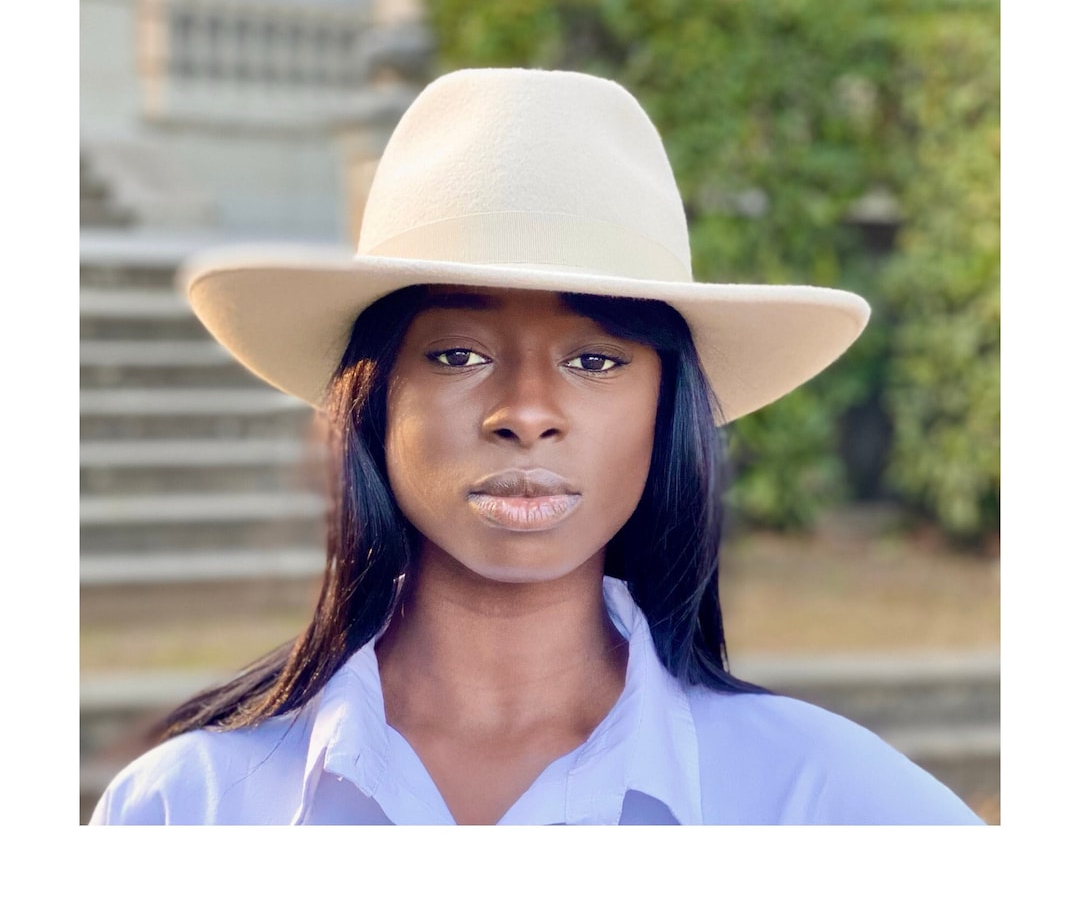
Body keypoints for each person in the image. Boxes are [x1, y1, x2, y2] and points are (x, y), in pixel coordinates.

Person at [90, 68, 982, 825]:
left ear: (666, 408)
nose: (526, 412)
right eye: (458, 355)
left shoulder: (826, 804)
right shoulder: (186, 810)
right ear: (375, 400)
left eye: (595, 359)